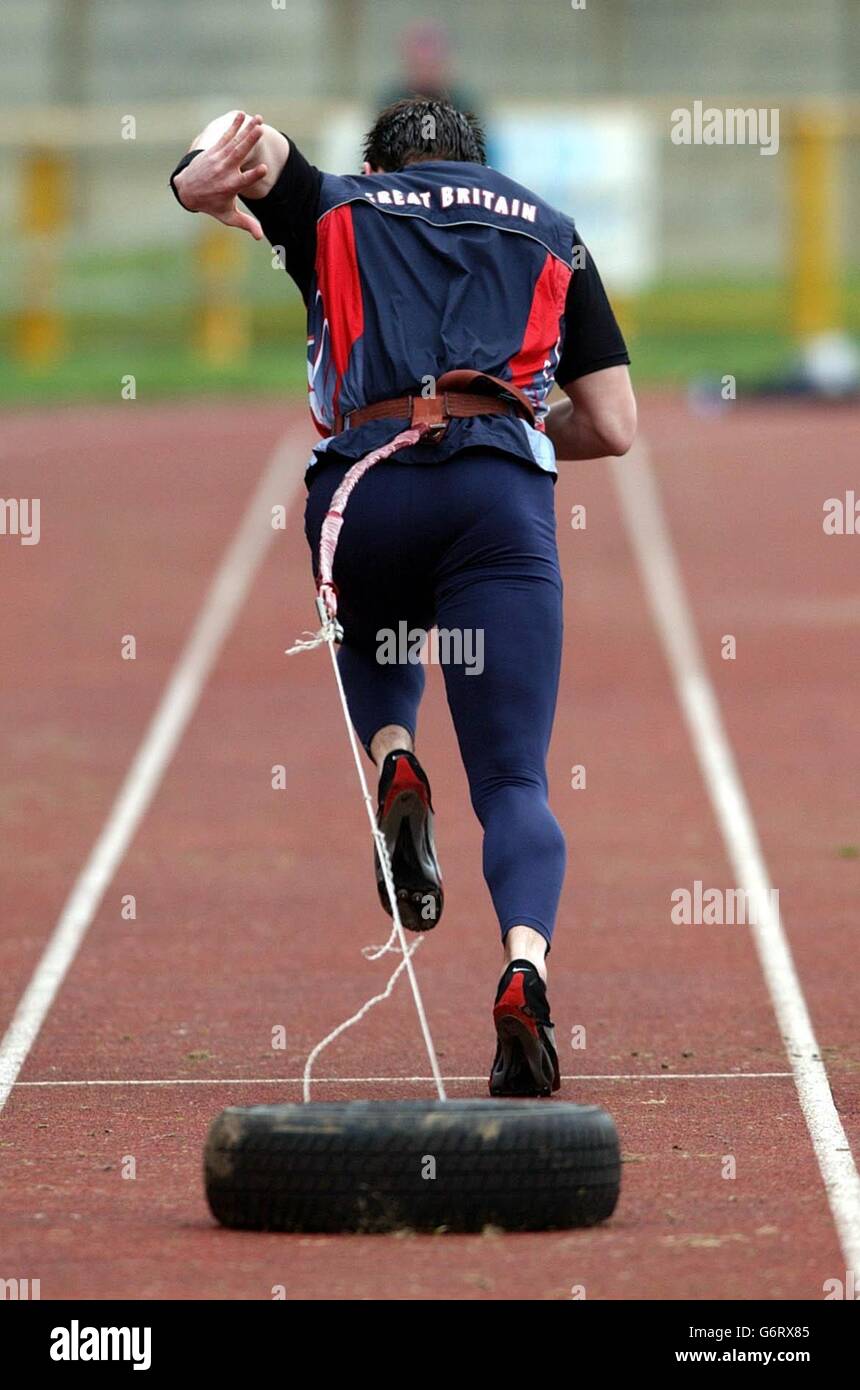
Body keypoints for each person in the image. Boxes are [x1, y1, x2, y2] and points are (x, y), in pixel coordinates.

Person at [170, 100, 636, 1096]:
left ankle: (393, 758)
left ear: (382, 161)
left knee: (375, 633)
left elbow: (225, 160)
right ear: (483, 159)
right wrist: (515, 423)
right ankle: (522, 969)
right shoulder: (552, 229)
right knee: (514, 783)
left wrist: (195, 186)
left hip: (365, 481)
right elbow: (615, 423)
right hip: (498, 497)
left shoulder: (339, 206)